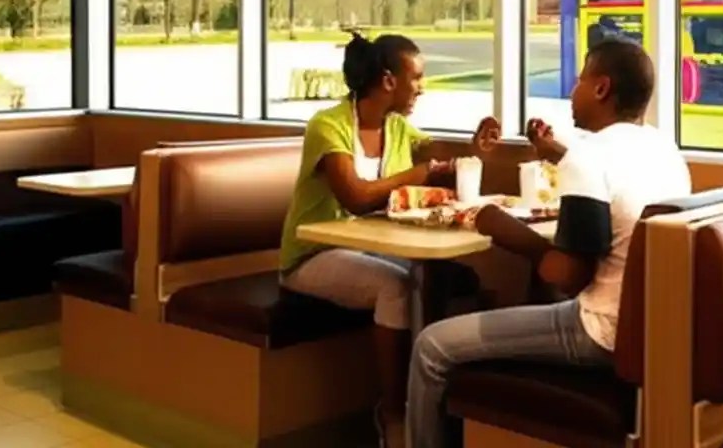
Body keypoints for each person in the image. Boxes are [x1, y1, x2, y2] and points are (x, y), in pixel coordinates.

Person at [406, 38, 692, 448]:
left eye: (579, 80)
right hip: (652, 329)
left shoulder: (589, 156)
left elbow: (569, 276)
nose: (572, 91)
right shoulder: (662, 148)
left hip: (600, 331)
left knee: (430, 345)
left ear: (601, 88)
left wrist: (499, 227)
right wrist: (556, 153)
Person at [278, 32, 497, 448]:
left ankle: (435, 409)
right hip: (311, 255)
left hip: (366, 249)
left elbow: (437, 160)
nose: (422, 86)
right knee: (395, 286)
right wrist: (414, 176)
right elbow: (356, 197)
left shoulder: (398, 128)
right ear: (388, 81)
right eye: (416, 77)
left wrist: (473, 149)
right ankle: (394, 413)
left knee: (448, 278)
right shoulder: (328, 126)